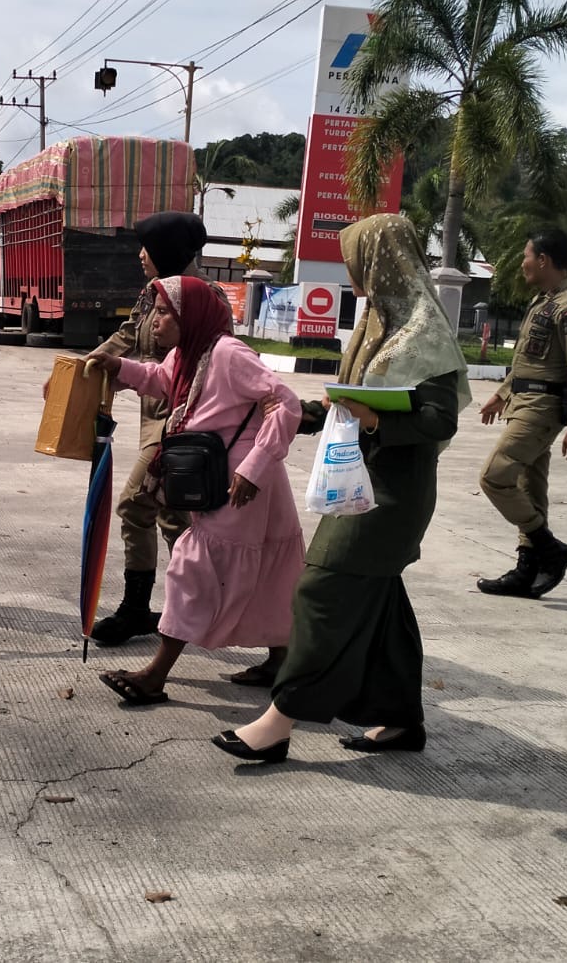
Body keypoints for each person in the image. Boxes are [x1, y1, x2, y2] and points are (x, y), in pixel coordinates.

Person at [214, 214, 471, 764]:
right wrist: (302, 412)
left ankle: (279, 722)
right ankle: (402, 720)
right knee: (379, 605)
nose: (349, 266)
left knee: (321, 592)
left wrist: (372, 420)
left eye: (355, 256)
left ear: (380, 261)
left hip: (392, 497)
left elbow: (438, 421)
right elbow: (351, 403)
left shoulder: (424, 336)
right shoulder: (375, 326)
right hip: (358, 484)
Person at [87, 276, 304, 705]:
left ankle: (155, 675)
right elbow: (160, 380)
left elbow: (286, 402)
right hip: (231, 478)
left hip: (239, 482)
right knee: (271, 571)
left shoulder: (227, 352)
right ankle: (282, 658)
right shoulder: (191, 353)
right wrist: (118, 367)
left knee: (194, 569)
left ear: (192, 316)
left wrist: (254, 467)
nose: (155, 321)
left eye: (165, 312)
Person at [78, 213, 238, 660]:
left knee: (136, 503)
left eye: (147, 246)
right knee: (172, 519)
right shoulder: (154, 294)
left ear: (167, 249)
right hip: (156, 421)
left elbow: (216, 360)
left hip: (186, 424)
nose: (140, 255)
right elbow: (129, 336)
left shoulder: (205, 297)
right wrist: (82, 369)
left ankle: (156, 607)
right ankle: (177, 607)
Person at [475, 227, 567, 599]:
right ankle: (527, 570)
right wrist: (501, 394)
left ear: (543, 259)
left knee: (494, 477)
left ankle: (550, 550)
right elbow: (528, 360)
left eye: (527, 256)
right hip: (522, 403)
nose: (523, 263)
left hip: (542, 409)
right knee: (530, 487)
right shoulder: (542, 302)